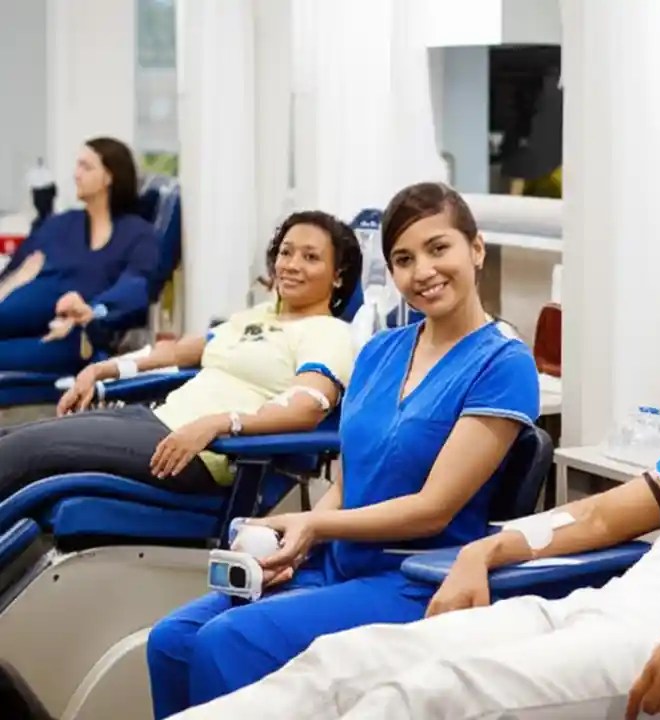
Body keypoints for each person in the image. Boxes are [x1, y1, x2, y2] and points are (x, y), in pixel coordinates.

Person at [173, 253, 660, 720]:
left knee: (419, 699)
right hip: (595, 613)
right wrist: (490, 550)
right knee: (346, 664)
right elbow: (607, 515)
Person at [147, 182, 541, 717]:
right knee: (171, 640)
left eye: (438, 248)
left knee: (227, 642)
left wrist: (314, 526)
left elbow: (433, 509)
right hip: (336, 561)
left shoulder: (503, 364)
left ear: (476, 249)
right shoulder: (380, 351)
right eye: (403, 259)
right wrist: (295, 542)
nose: (422, 270)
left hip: (414, 576)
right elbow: (348, 481)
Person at [0, 209, 361, 503]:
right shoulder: (257, 317)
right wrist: (102, 369)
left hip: (203, 453)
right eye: (286, 252)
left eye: (310, 257)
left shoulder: (328, 333)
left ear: (339, 276)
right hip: (158, 421)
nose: (292, 265)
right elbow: (175, 351)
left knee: (30, 451)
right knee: (11, 438)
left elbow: (306, 407)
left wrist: (220, 423)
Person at [0, 138, 159, 373]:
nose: (76, 174)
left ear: (109, 177)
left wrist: (92, 311)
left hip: (74, 338)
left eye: (86, 167)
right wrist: (17, 280)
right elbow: (18, 269)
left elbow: (137, 287)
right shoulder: (61, 225)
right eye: (77, 165)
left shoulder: (137, 235)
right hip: (26, 319)